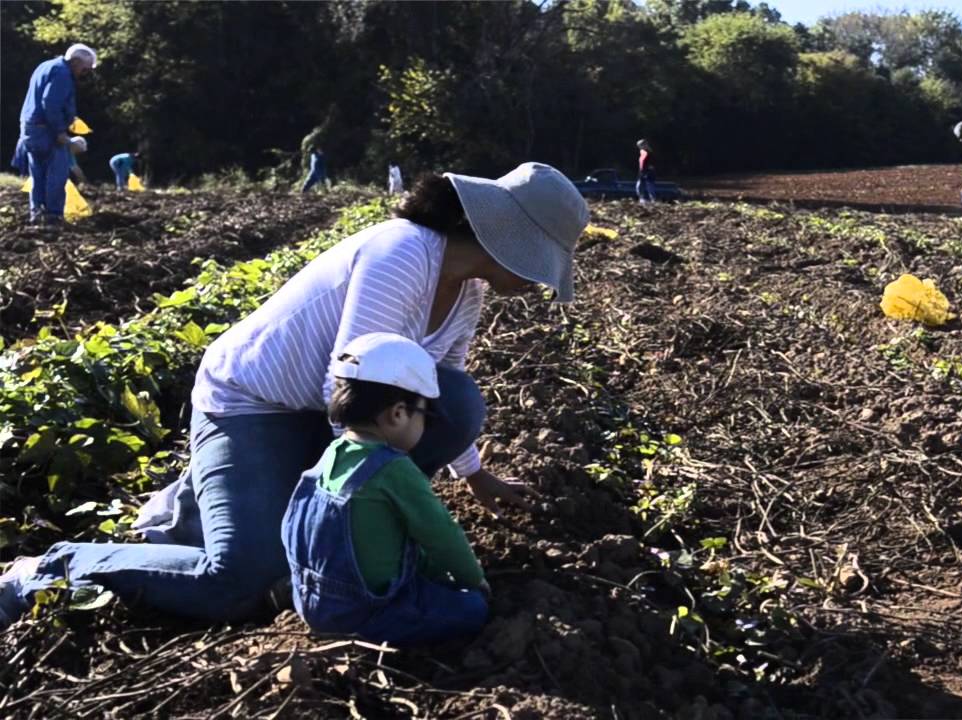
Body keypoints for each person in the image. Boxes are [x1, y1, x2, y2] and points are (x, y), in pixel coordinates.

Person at [0, 162, 589, 629]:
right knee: (241, 581)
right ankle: (50, 567)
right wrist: (347, 520)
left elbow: (434, 388)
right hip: (251, 405)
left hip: (321, 410)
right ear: (507, 238)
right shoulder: (403, 253)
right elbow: (354, 384)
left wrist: (474, 477)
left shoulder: (466, 294)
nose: (540, 280)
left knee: (457, 403)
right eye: (543, 261)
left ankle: (219, 502)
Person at [282, 332, 488, 644]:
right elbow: (441, 536)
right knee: (473, 608)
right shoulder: (395, 469)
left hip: (309, 601)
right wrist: (474, 580)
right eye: (425, 414)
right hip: (365, 613)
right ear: (398, 413)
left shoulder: (331, 454)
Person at [15, 43, 97, 224]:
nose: (85, 74)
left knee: (37, 174)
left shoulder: (45, 66)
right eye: (85, 69)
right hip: (47, 130)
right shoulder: (62, 73)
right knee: (56, 174)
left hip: (30, 128)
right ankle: (53, 217)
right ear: (75, 62)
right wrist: (60, 131)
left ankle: (36, 215)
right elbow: (50, 103)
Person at [636, 139, 657, 203]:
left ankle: (653, 200)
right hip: (642, 171)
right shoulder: (642, 152)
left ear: (645, 145)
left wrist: (648, 169)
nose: (639, 147)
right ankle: (642, 199)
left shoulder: (649, 153)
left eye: (640, 145)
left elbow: (651, 163)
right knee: (639, 186)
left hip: (648, 171)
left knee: (649, 186)